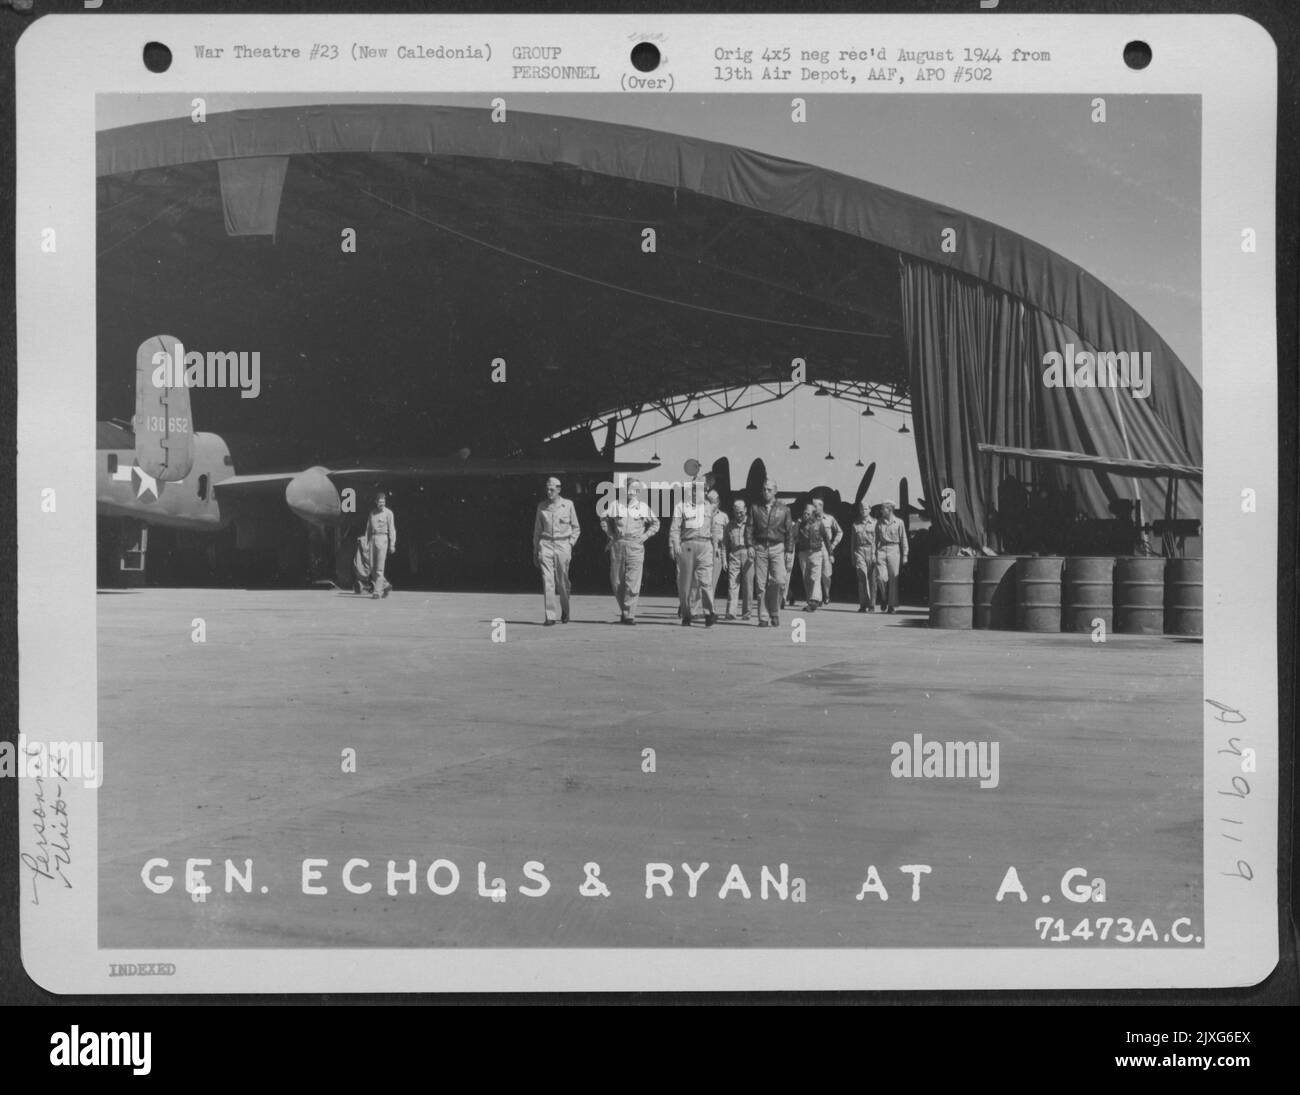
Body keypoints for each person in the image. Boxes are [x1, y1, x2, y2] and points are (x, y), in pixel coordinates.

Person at [603, 478, 660, 625]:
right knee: (616, 581)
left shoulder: (643, 507)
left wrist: (645, 536)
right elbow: (604, 519)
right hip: (619, 544)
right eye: (629, 489)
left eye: (635, 490)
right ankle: (624, 609)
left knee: (632, 581)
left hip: (635, 544)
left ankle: (629, 614)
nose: (631, 492)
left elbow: (656, 523)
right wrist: (611, 535)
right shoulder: (615, 505)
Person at [746, 479, 796, 628]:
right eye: (764, 489)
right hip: (760, 548)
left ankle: (774, 610)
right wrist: (749, 545)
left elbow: (789, 532)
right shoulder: (755, 508)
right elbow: (749, 528)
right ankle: (763, 617)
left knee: (780, 581)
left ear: (775, 491)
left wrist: (789, 550)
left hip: (777, 547)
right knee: (761, 585)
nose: (766, 492)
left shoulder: (784, 509)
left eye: (769, 489)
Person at [669, 478, 717, 626]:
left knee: (706, 581)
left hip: (705, 545)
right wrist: (674, 545)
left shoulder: (710, 508)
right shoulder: (681, 506)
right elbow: (675, 528)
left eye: (700, 490)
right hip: (687, 546)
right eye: (694, 490)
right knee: (685, 584)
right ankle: (686, 614)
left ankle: (709, 613)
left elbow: (714, 529)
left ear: (705, 491)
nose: (696, 493)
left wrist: (715, 547)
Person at [533, 476, 581, 626]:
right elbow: (537, 530)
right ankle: (550, 616)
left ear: (559, 489)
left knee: (562, 582)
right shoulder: (542, 506)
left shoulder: (568, 505)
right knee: (548, 581)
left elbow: (576, 528)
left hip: (562, 545)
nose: (549, 492)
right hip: (546, 544)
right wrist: (536, 550)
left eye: (552, 489)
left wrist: (570, 544)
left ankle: (565, 609)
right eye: (547, 489)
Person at [874, 499, 909, 613]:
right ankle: (884, 598)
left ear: (889, 510)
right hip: (881, 549)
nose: (881, 510)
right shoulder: (879, 522)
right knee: (880, 577)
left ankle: (891, 605)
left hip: (894, 549)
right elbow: (875, 539)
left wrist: (905, 555)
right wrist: (874, 553)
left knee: (894, 577)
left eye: (883, 508)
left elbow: (904, 538)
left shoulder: (899, 522)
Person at [723, 498, 754, 620]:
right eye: (736, 512)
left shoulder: (751, 524)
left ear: (745, 510)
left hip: (748, 554)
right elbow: (724, 544)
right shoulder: (729, 525)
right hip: (734, 554)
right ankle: (731, 612)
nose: (739, 515)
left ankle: (747, 613)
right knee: (732, 584)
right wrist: (724, 559)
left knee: (748, 584)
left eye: (741, 512)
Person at [365, 492, 397, 599]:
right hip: (373, 539)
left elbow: (392, 529)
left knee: (379, 568)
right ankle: (386, 585)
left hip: (383, 538)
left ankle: (377, 592)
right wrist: (366, 542)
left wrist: (392, 544)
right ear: (376, 502)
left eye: (383, 502)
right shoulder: (372, 513)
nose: (382, 504)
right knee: (371, 566)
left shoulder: (389, 513)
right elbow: (368, 529)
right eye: (380, 502)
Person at [814, 497, 844, 605]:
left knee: (826, 574)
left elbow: (840, 532)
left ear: (821, 506)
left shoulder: (830, 519)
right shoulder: (811, 519)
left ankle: (826, 594)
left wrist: (833, 544)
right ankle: (818, 597)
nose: (814, 507)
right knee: (815, 574)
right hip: (813, 547)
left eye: (816, 505)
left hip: (826, 547)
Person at [851, 500, 878, 612]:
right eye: (861, 509)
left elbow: (877, 540)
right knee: (862, 576)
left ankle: (871, 604)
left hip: (871, 550)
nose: (863, 511)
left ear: (870, 510)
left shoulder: (876, 523)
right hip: (860, 551)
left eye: (866, 508)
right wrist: (853, 557)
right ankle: (863, 604)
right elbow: (852, 543)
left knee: (872, 579)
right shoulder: (855, 524)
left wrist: (875, 554)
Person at [789, 502, 815, 606]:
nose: (806, 515)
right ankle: (810, 599)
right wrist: (798, 523)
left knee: (814, 577)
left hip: (815, 553)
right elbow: (794, 535)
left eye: (808, 513)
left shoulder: (817, 524)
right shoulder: (799, 523)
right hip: (802, 553)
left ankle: (816, 597)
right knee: (806, 576)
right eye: (805, 513)